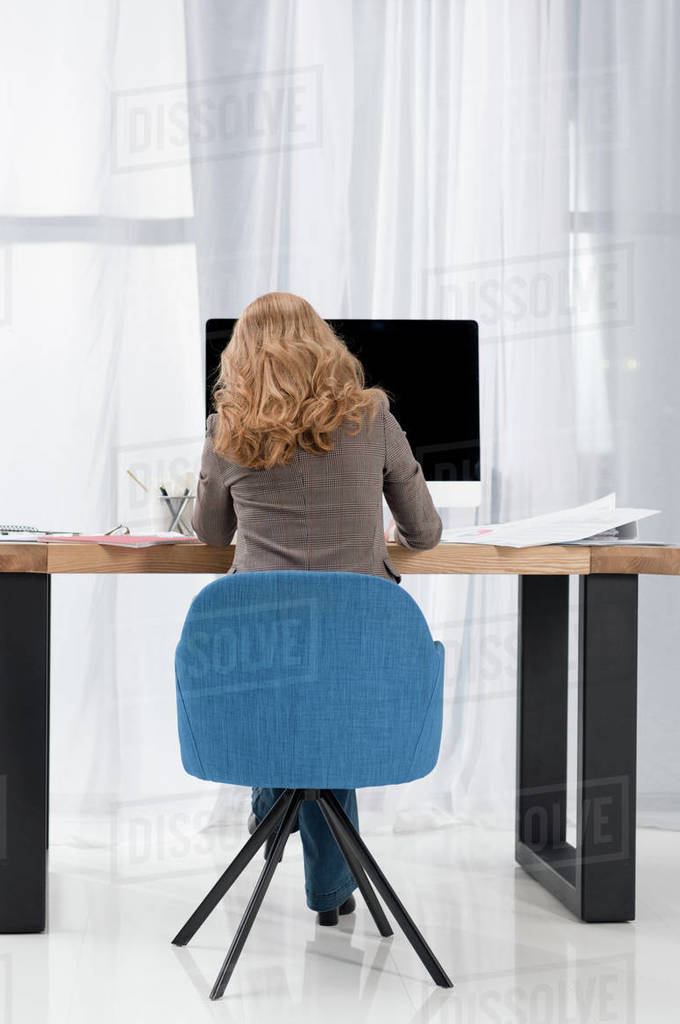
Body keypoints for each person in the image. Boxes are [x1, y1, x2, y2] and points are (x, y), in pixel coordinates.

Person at [191, 291, 442, 924]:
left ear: (242, 357)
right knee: (326, 694)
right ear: (325, 344)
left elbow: (210, 536)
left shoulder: (230, 427)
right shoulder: (374, 417)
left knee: (294, 699)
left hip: (258, 659)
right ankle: (328, 891)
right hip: (360, 653)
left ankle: (273, 797)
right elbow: (426, 534)